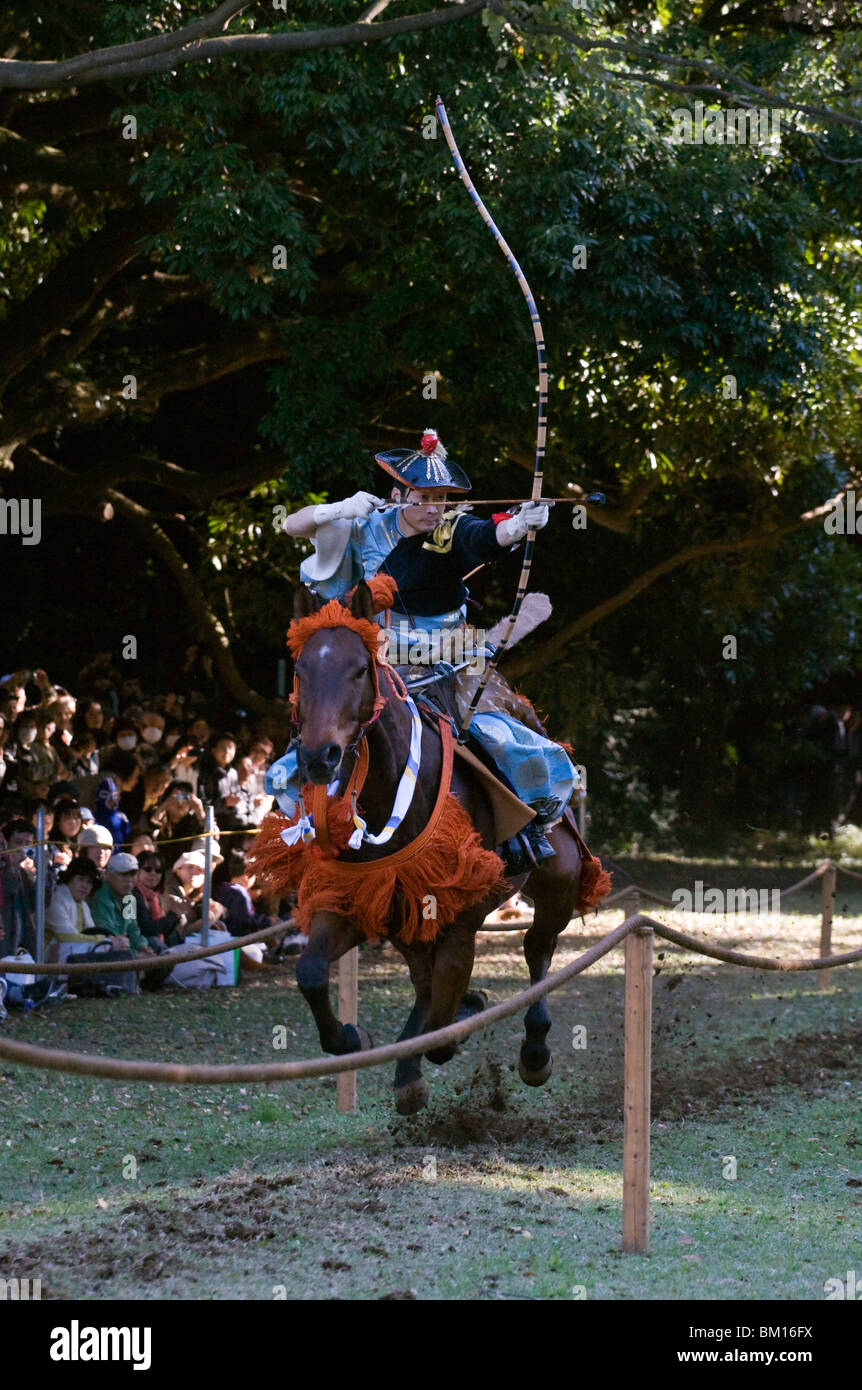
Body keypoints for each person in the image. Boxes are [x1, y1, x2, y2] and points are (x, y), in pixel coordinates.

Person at [278, 427, 574, 863]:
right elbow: (293, 525)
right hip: (378, 653)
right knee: (321, 720)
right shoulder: (365, 525)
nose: (435, 508)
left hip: (448, 656)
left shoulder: (451, 530)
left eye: (442, 499)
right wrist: (341, 508)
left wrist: (517, 526)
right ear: (398, 493)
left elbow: (487, 537)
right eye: (425, 497)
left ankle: (521, 829)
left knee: (489, 733)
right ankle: (303, 821)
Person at [45, 856, 117, 962]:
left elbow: (90, 932)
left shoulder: (83, 904)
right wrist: (106, 941)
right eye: (81, 879)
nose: (85, 885)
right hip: (48, 957)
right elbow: (66, 936)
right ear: (70, 878)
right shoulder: (55, 900)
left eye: (89, 882)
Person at [89, 852, 155, 957]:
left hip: (124, 948)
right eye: (123, 874)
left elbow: (133, 930)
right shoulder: (101, 898)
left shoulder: (129, 898)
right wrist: (137, 955)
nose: (129, 879)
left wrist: (143, 947)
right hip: (104, 951)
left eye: (132, 874)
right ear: (109, 876)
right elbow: (109, 936)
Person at [0, 818, 39, 955]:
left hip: (22, 948)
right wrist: (10, 866)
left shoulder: (24, 873)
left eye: (27, 844)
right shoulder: (4, 870)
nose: (22, 848)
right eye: (17, 842)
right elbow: (9, 889)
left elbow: (40, 903)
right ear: (6, 843)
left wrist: (44, 873)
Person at [150, 781, 206, 869]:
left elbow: (206, 833)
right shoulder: (158, 813)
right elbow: (152, 824)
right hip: (158, 866)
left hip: (186, 868)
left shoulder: (193, 820)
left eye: (185, 798)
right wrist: (163, 806)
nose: (180, 802)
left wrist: (199, 810)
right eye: (176, 797)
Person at [94, 750, 140, 846]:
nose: (136, 781)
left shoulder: (110, 780)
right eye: (135, 777)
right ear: (125, 772)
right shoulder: (108, 782)